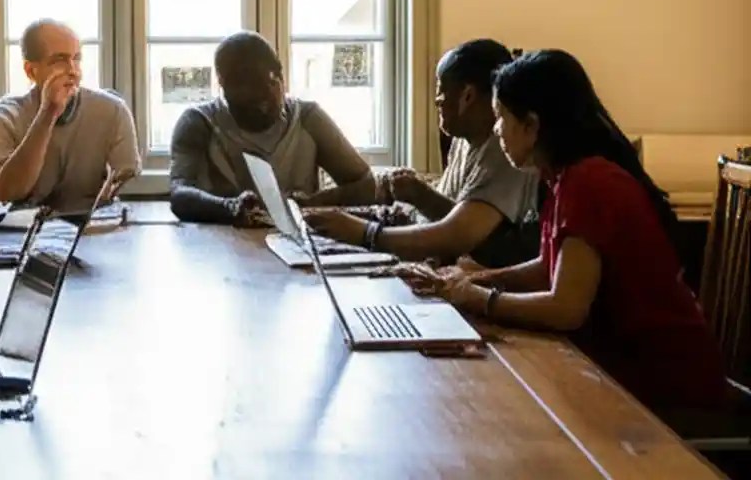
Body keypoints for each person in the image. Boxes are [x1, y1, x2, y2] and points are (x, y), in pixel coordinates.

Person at [424, 49, 727, 416]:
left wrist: (478, 298)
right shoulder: (566, 176)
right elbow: (550, 266)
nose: (497, 129)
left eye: (501, 117)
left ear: (532, 125)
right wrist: (477, 280)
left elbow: (566, 309)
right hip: (626, 368)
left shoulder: (589, 182)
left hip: (664, 384)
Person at [309, 39, 541, 268]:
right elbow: (448, 213)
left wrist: (366, 233)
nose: (437, 102)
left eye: (441, 92)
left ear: (467, 96)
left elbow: (459, 234)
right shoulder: (464, 140)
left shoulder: (505, 149)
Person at [169, 31, 374, 224]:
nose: (262, 108)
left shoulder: (308, 119)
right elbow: (179, 193)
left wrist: (313, 203)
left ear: (280, 78)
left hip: (299, 244)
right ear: (223, 86)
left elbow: (366, 185)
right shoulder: (198, 123)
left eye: (268, 94)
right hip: (226, 247)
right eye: (249, 101)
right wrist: (229, 208)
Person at [0, 18, 141, 212]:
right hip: (20, 230)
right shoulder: (2, 117)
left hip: (91, 229)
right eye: (59, 60)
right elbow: (5, 193)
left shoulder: (112, 110)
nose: (73, 70)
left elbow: (128, 183)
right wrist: (47, 113)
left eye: (76, 59)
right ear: (31, 71)